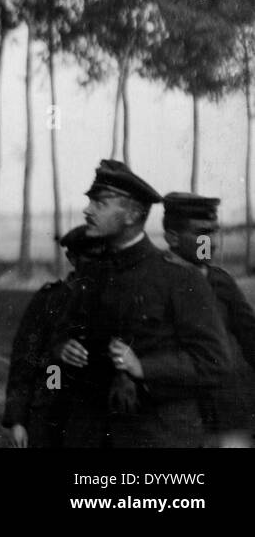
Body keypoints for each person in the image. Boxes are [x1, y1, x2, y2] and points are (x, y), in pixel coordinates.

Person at [53, 160, 231, 449]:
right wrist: (64, 347)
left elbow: (215, 362)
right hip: (91, 435)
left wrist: (143, 368)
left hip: (157, 437)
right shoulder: (91, 273)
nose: (87, 210)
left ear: (132, 214)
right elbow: (62, 332)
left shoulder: (179, 278)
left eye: (100, 203)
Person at [162, 192, 255, 446]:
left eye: (215, 232)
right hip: (173, 417)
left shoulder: (220, 280)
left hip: (225, 416)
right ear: (172, 237)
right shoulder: (154, 280)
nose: (211, 242)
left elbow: (250, 337)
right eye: (202, 233)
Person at [1, 225, 104, 448]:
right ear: (72, 258)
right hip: (50, 409)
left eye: (103, 258)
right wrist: (17, 419)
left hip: (97, 415)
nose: (98, 265)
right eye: (90, 258)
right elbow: (25, 360)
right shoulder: (50, 299)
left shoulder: (115, 299)